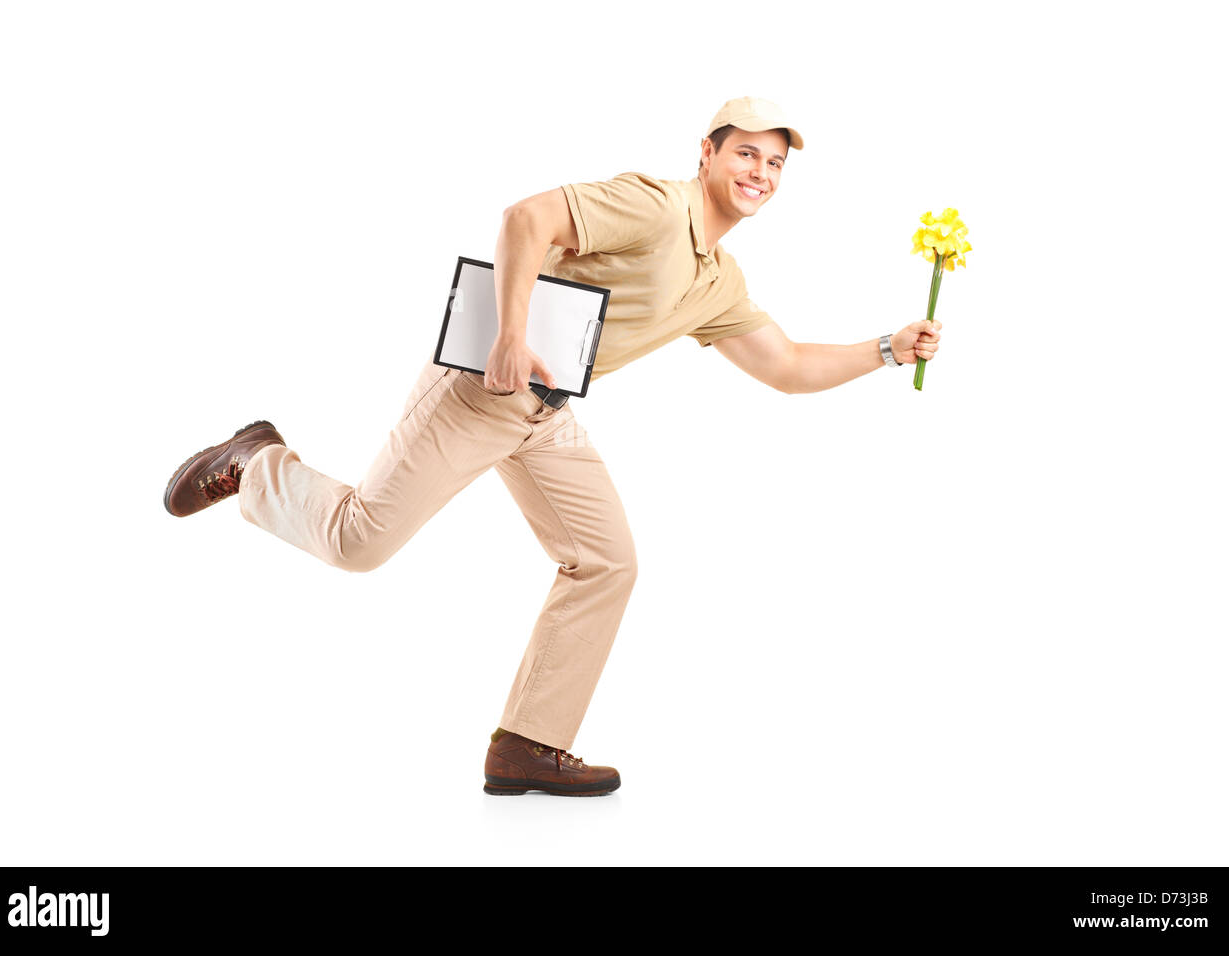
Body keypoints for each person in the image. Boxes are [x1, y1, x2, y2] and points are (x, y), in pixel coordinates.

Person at [162, 96, 943, 797]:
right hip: (485, 386)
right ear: (706, 154)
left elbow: (787, 365)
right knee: (359, 541)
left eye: (775, 163)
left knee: (608, 560)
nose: (761, 172)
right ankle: (256, 461)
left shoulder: (719, 280)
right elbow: (525, 219)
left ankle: (528, 745)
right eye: (746, 153)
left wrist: (886, 348)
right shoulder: (656, 207)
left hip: (547, 413)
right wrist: (507, 333)